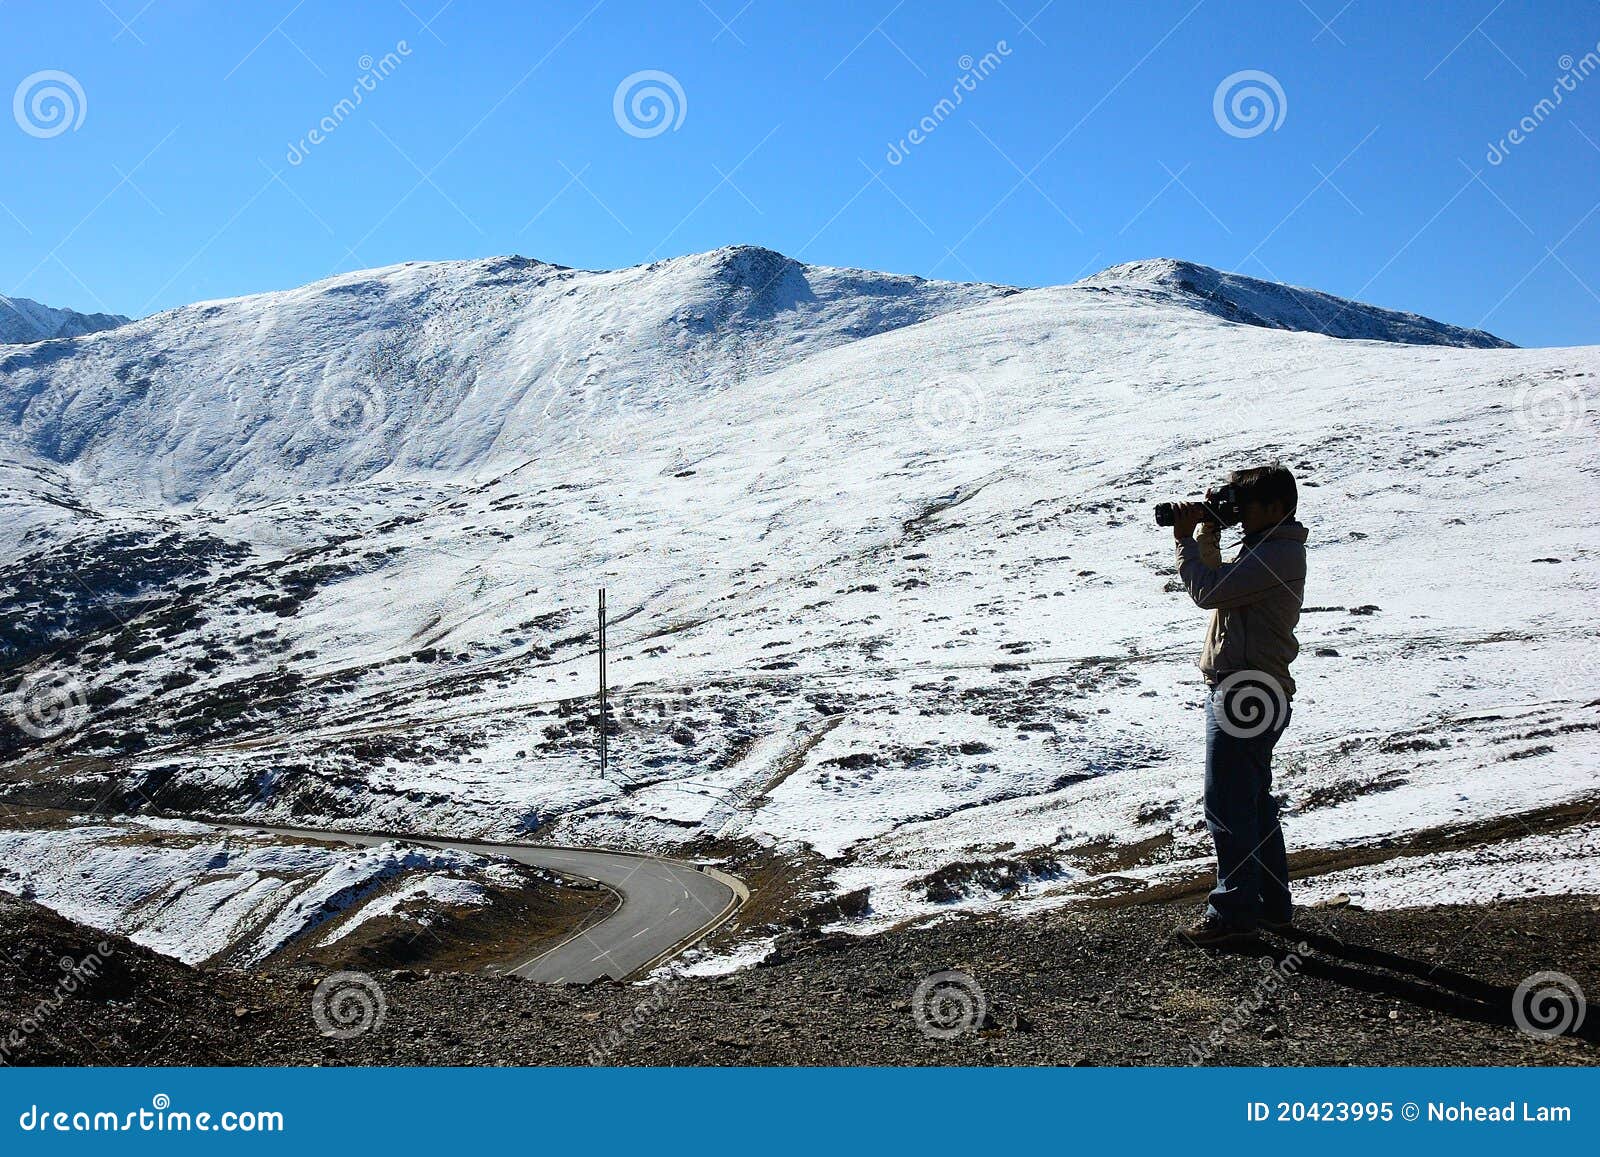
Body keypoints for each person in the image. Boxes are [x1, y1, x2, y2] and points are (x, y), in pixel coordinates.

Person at [1168, 464, 1307, 946]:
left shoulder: (1278, 556)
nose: (1238, 514)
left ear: (1274, 507)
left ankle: (1234, 913)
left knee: (1227, 802)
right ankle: (1271, 906)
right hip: (1252, 687)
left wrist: (1185, 540)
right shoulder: (1270, 549)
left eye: (1243, 506)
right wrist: (1210, 530)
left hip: (1247, 688)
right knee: (1252, 801)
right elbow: (1223, 582)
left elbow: (1208, 591)